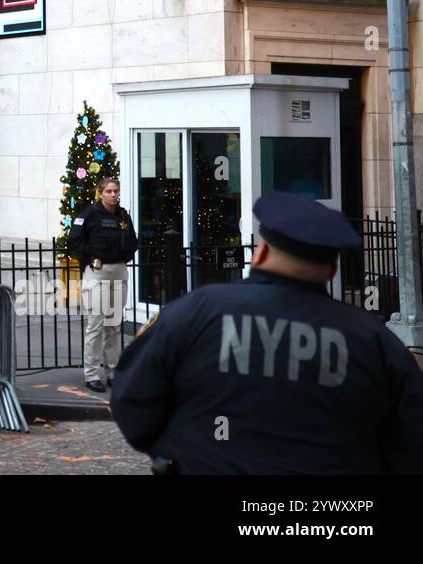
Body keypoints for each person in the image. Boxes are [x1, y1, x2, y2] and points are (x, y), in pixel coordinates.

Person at [111, 192, 423, 474]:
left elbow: (133, 401)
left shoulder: (196, 312)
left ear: (260, 254)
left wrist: (182, 451)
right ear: (332, 271)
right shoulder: (374, 341)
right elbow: (409, 443)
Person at [67, 177, 138, 392]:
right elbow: (74, 241)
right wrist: (90, 257)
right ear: (100, 193)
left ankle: (113, 373)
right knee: (96, 324)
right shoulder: (89, 214)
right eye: (109, 191)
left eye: (116, 190)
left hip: (118, 271)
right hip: (97, 273)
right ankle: (91, 375)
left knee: (114, 326)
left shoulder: (123, 215)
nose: (114, 194)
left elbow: (133, 241)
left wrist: (123, 257)